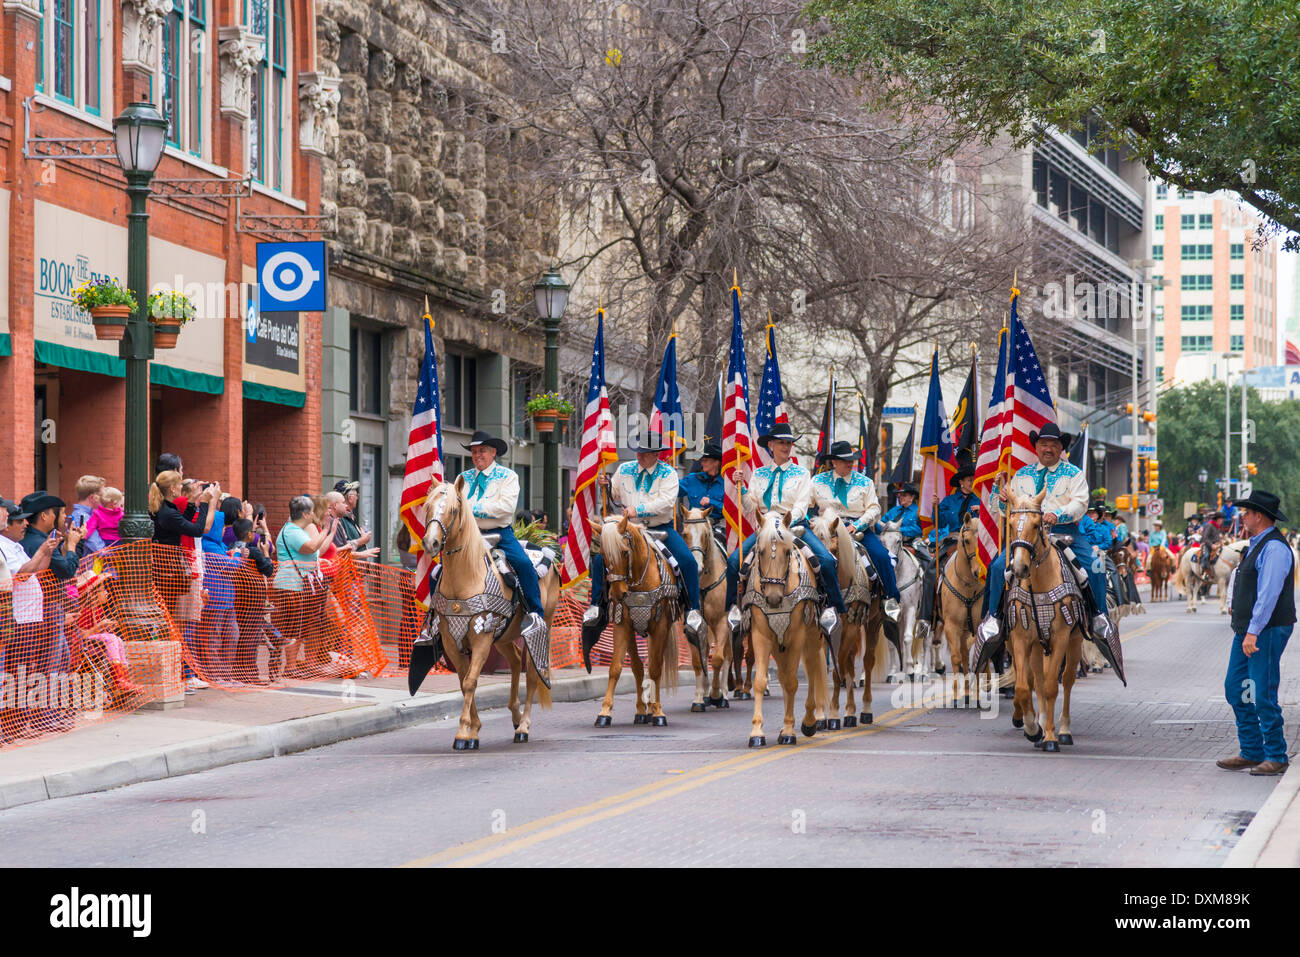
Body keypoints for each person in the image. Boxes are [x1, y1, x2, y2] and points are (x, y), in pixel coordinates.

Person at [977, 423, 1117, 651]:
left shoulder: (1073, 474)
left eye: (1053, 445)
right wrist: (1001, 496)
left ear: (1061, 448)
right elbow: (1004, 511)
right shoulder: (1022, 475)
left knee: (1096, 565)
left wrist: (1058, 514)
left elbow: (1081, 503)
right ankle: (993, 618)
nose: (1048, 448)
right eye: (1044, 444)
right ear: (1036, 447)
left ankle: (1099, 616)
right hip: (1028, 537)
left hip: (1065, 534)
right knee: (996, 567)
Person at [723, 422, 844, 640]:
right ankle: (734, 609)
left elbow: (802, 505)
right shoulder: (759, 474)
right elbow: (752, 507)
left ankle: (831, 607)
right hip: (766, 528)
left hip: (795, 527)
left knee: (826, 561)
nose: (786, 446)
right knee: (733, 563)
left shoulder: (801, 473)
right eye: (781, 442)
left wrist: (784, 522)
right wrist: (740, 489)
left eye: (788, 443)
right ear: (770, 445)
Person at [584, 433, 706, 645]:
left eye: (646, 453)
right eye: (639, 451)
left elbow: (666, 503)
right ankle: (596, 605)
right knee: (600, 559)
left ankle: (692, 610)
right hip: (630, 530)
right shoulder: (624, 469)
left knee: (687, 561)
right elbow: (614, 495)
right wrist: (605, 486)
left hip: (661, 529)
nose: (640, 455)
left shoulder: (668, 473)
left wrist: (637, 509)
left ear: (657, 454)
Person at [442, 431, 548, 646]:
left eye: (482, 451)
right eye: (474, 451)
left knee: (523, 564)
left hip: (499, 535)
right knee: (439, 568)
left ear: (493, 453)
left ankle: (535, 615)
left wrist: (469, 508)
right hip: (468, 536)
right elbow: (453, 506)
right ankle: (434, 620)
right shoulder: (463, 478)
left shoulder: (508, 476)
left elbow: (505, 508)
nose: (477, 455)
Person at [1217, 490, 1293, 776]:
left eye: (1246, 513)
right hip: (1249, 630)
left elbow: (1269, 595)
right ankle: (1251, 750)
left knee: (1262, 691)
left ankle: (1276, 754)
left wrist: (1253, 632)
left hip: (1266, 630)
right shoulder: (1255, 545)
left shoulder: (1274, 548)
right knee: (1236, 688)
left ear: (1259, 516)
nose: (1243, 517)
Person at [811, 440, 900, 617]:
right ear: (834, 462)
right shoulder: (816, 481)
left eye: (851, 459)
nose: (850, 463)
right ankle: (809, 597)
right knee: (806, 557)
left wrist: (857, 524)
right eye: (845, 460)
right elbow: (806, 506)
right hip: (825, 529)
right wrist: (812, 522)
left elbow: (874, 508)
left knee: (881, 556)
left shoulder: (864, 482)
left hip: (857, 528)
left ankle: (890, 599)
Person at [273, 495, 336, 678]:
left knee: (308, 625)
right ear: (304, 513)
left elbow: (314, 552)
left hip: (304, 584)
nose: (313, 515)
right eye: (310, 512)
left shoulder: (298, 529)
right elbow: (310, 547)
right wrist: (326, 529)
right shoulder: (291, 531)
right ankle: (290, 667)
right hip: (292, 584)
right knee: (294, 626)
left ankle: (308, 665)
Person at [678, 442, 726, 513]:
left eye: (705, 461)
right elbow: (673, 489)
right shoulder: (692, 479)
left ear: (716, 462)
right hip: (694, 522)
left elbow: (731, 509)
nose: (702, 463)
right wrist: (670, 474)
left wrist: (712, 502)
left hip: (718, 522)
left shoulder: (726, 483)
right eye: (702, 460)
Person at [85, 486, 124, 552]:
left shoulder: (97, 514)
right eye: (120, 503)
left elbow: (90, 527)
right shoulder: (121, 515)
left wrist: (84, 535)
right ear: (114, 504)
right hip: (118, 542)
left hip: (104, 541)